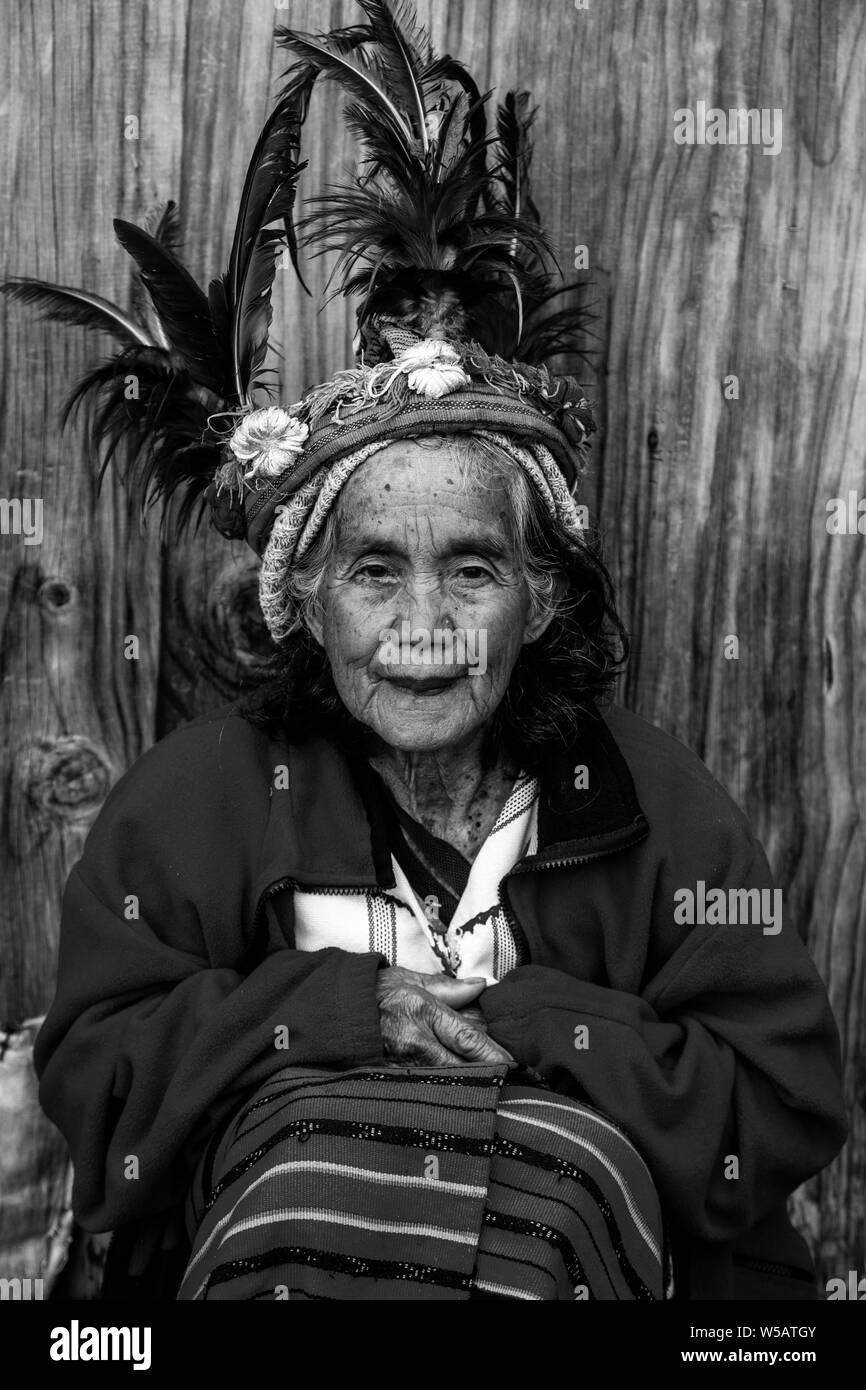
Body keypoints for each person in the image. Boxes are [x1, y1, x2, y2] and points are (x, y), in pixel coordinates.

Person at [15, 1, 845, 1301]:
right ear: (304, 600)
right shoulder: (195, 804)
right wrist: (337, 1009)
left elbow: (781, 1108)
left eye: (472, 566)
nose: (419, 623)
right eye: (372, 570)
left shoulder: (661, 812)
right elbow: (96, 1087)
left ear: (543, 597)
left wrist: (540, 1023)